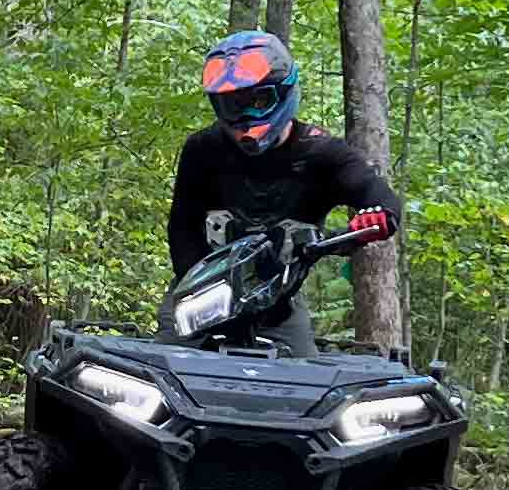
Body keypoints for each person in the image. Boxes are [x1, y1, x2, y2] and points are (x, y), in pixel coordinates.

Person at [158, 30, 400, 357]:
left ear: (284, 93)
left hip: (278, 306)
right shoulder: (203, 150)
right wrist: (207, 288)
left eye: (258, 101)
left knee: (310, 394)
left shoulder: (321, 153)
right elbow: (182, 228)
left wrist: (375, 217)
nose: (245, 116)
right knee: (158, 376)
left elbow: (378, 197)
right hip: (202, 297)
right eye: (231, 105)